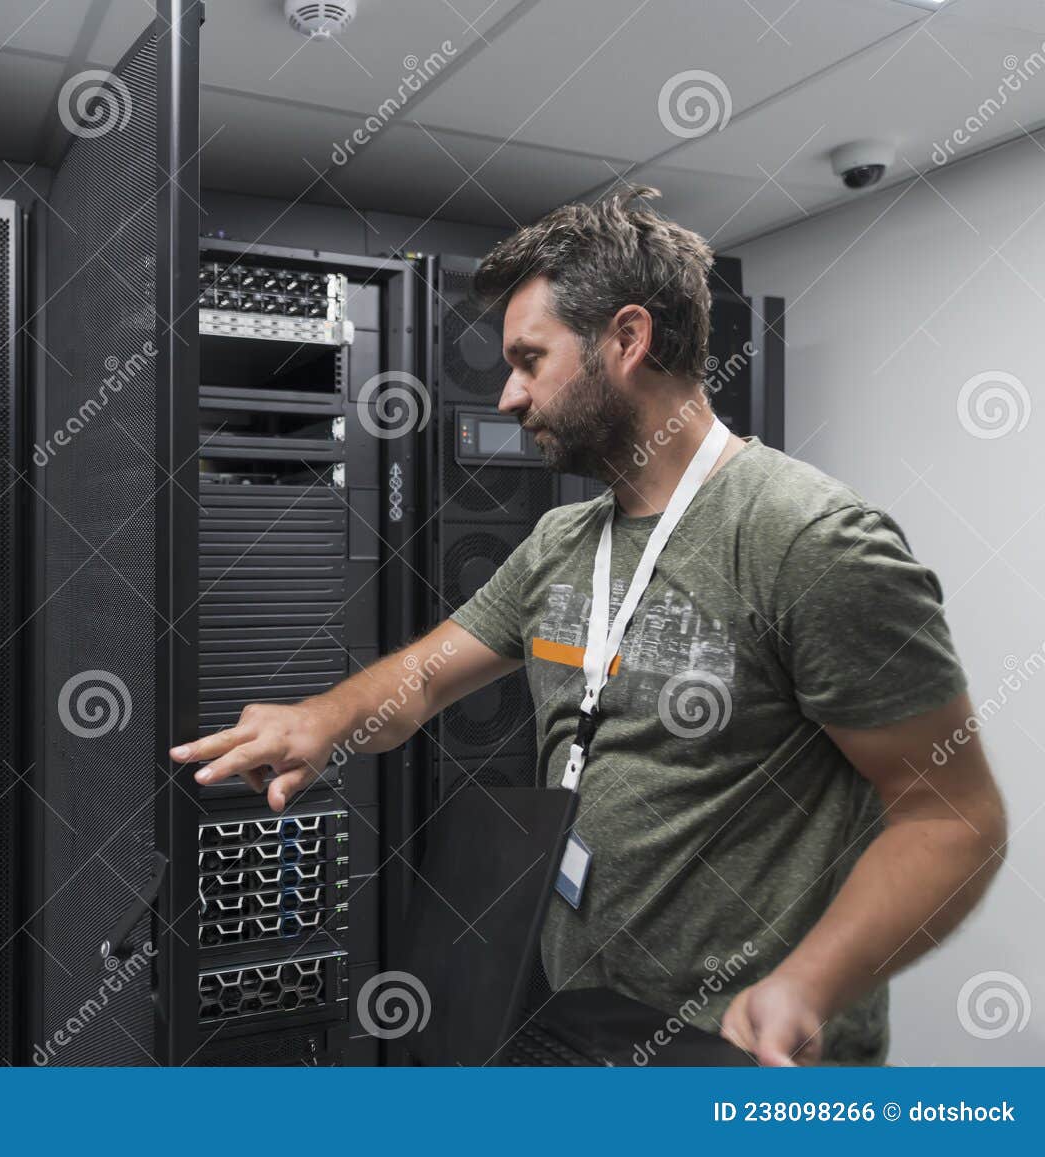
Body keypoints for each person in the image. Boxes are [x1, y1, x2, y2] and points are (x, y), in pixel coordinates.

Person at [168, 188, 1006, 1066]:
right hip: (582, 1026)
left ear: (627, 339)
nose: (506, 396)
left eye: (530, 360)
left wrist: (810, 983)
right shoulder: (562, 541)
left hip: (738, 1052)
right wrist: (323, 720)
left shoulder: (806, 539)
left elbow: (952, 819)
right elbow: (420, 678)